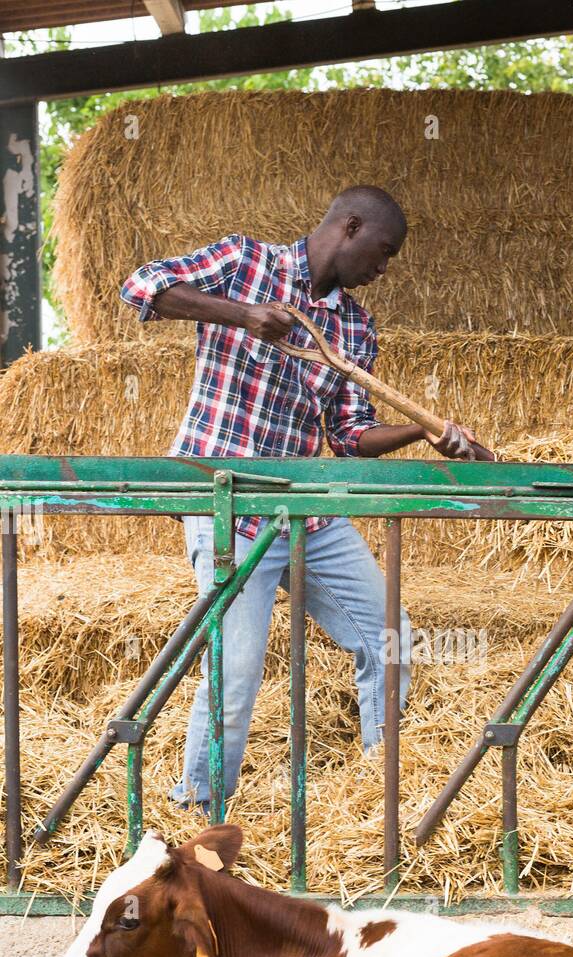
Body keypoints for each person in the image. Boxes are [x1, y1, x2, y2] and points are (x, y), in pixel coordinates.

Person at [119, 185, 482, 815]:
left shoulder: (356, 326)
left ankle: (384, 803)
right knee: (234, 677)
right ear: (349, 226)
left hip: (305, 511)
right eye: (383, 251)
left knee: (390, 637)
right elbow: (141, 287)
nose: (384, 267)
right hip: (229, 507)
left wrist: (423, 433)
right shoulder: (245, 264)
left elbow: (349, 437)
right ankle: (200, 820)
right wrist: (242, 314)